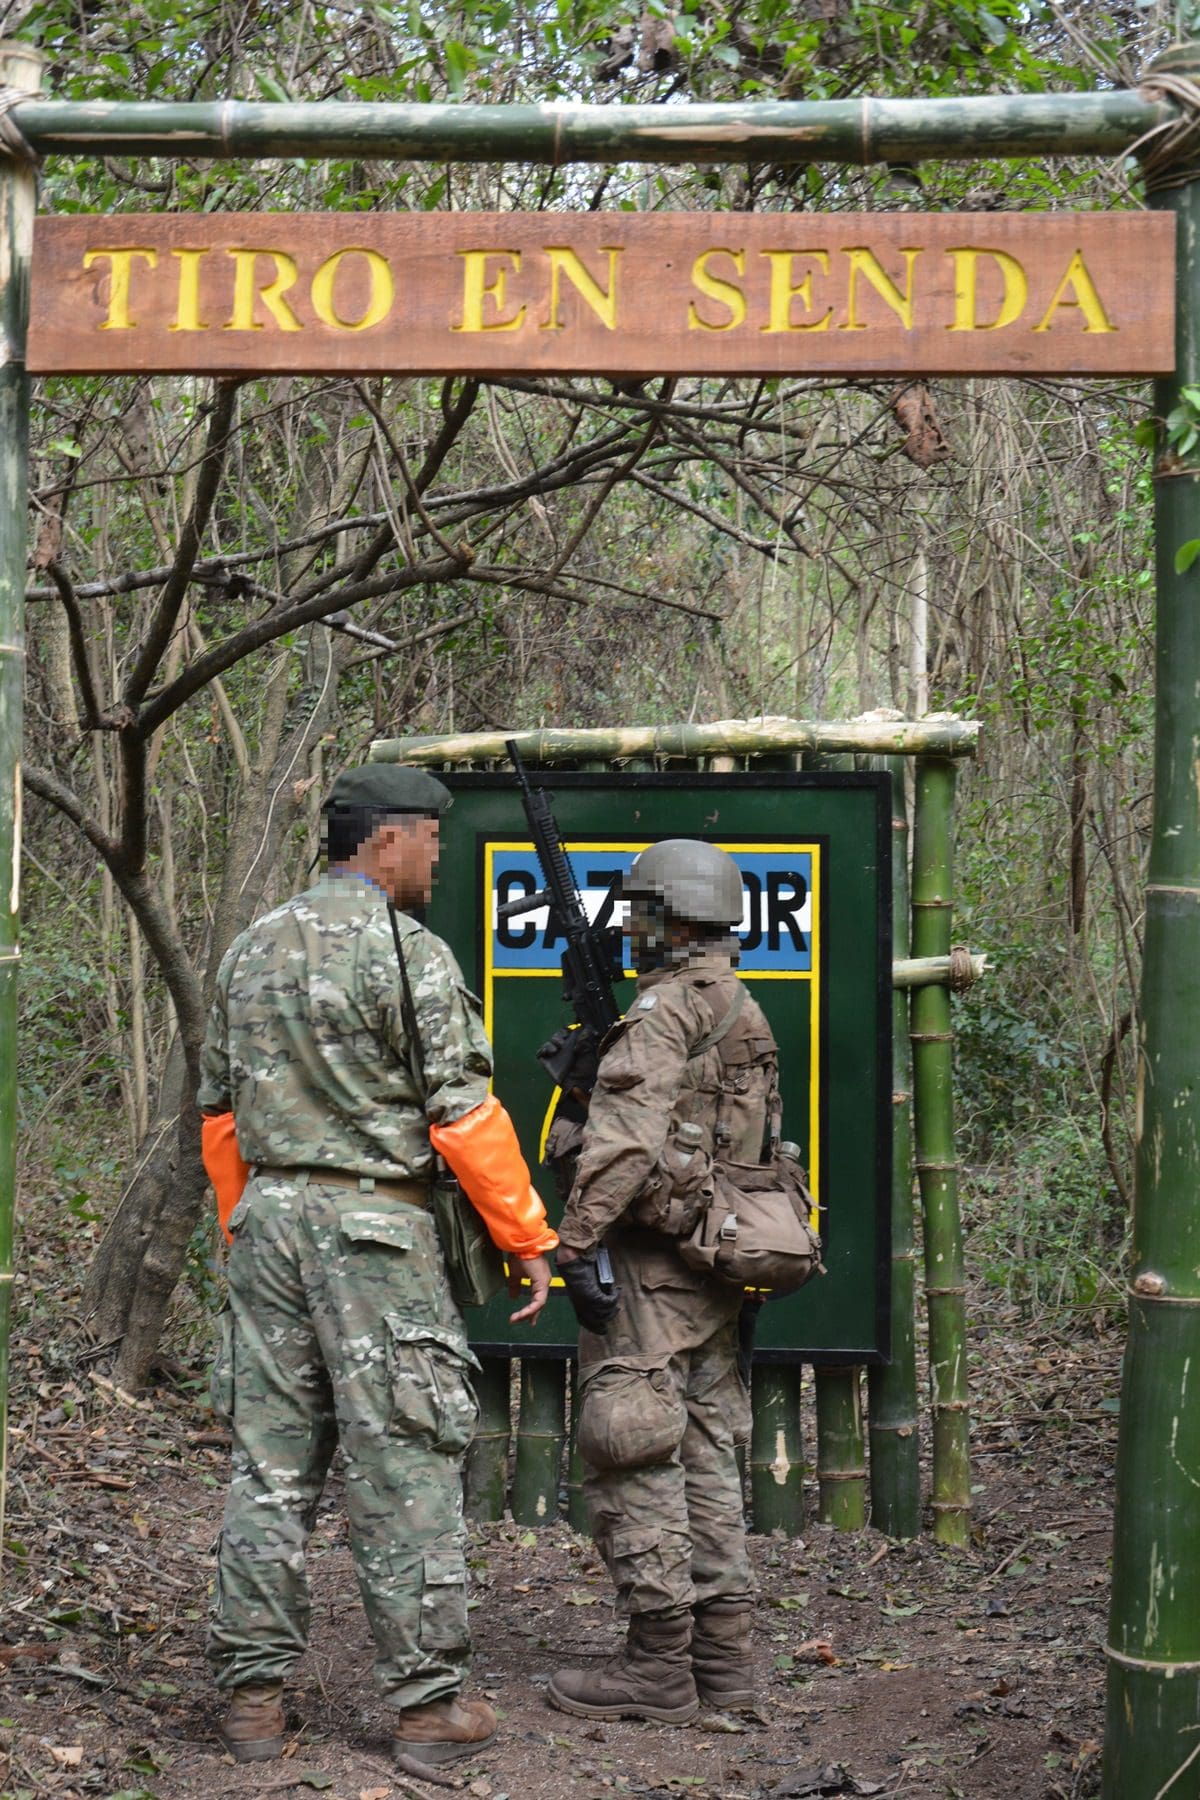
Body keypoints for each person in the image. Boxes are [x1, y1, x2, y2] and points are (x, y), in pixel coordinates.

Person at [197, 764, 558, 1770]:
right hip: (376, 1233)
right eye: (432, 842)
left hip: (265, 1222)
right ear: (387, 842)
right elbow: (464, 1115)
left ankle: (253, 1705)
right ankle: (428, 1710)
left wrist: (252, 1225)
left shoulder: (250, 949)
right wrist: (529, 1240)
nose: (438, 859)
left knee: (268, 1466)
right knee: (403, 1463)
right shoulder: (410, 955)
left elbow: (220, 1115)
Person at [549, 838, 779, 1725]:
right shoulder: (741, 1007)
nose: (630, 927)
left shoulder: (663, 1013)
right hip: (712, 1267)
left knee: (634, 1452)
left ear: (673, 919)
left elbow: (625, 1146)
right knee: (709, 1456)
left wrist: (575, 1244)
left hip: (650, 1270)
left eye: (641, 910)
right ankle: (725, 1672)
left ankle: (657, 1670)